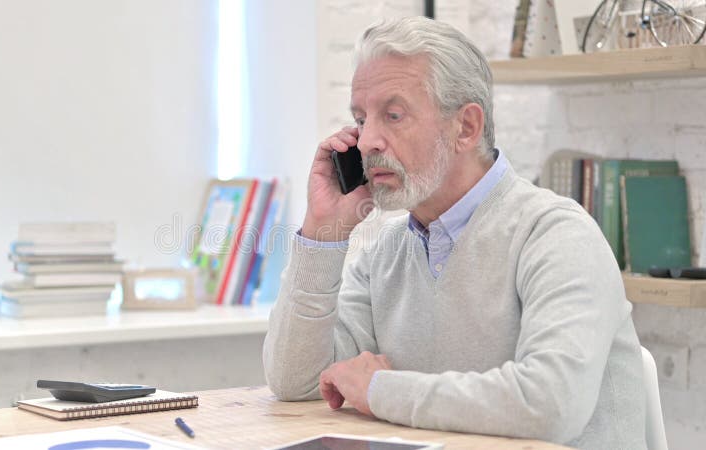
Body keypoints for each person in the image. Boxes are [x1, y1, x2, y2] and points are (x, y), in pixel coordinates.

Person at [262, 16, 646, 449]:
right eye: (360, 118)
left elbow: (551, 405)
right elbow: (297, 382)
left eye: (393, 115)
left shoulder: (557, 236)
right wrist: (323, 230)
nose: (368, 140)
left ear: (465, 127)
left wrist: (381, 390)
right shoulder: (387, 255)